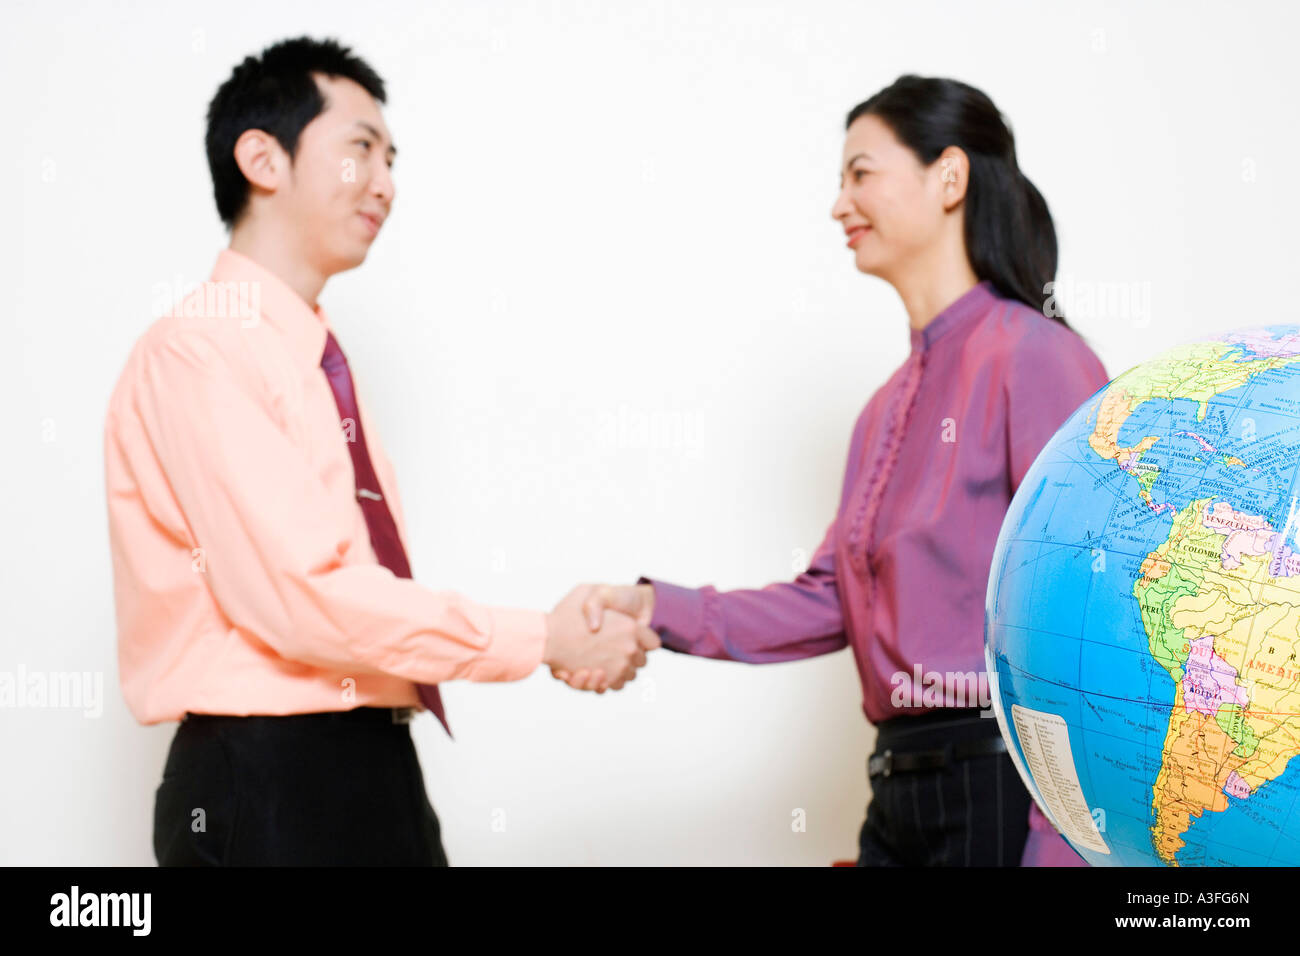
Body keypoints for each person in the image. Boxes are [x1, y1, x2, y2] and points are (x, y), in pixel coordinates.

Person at [102, 35, 657, 866]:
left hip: (375, 760)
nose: (387, 184)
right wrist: (541, 637)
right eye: (360, 149)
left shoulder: (313, 360)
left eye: (392, 160)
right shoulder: (198, 352)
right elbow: (302, 598)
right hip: (268, 779)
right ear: (262, 158)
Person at [559, 75, 1109, 866]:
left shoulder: (1036, 355)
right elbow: (830, 601)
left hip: (999, 790)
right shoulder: (881, 410)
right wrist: (653, 607)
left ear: (949, 177)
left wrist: (1061, 845)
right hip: (897, 793)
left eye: (861, 173)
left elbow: (1085, 607)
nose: (839, 204)